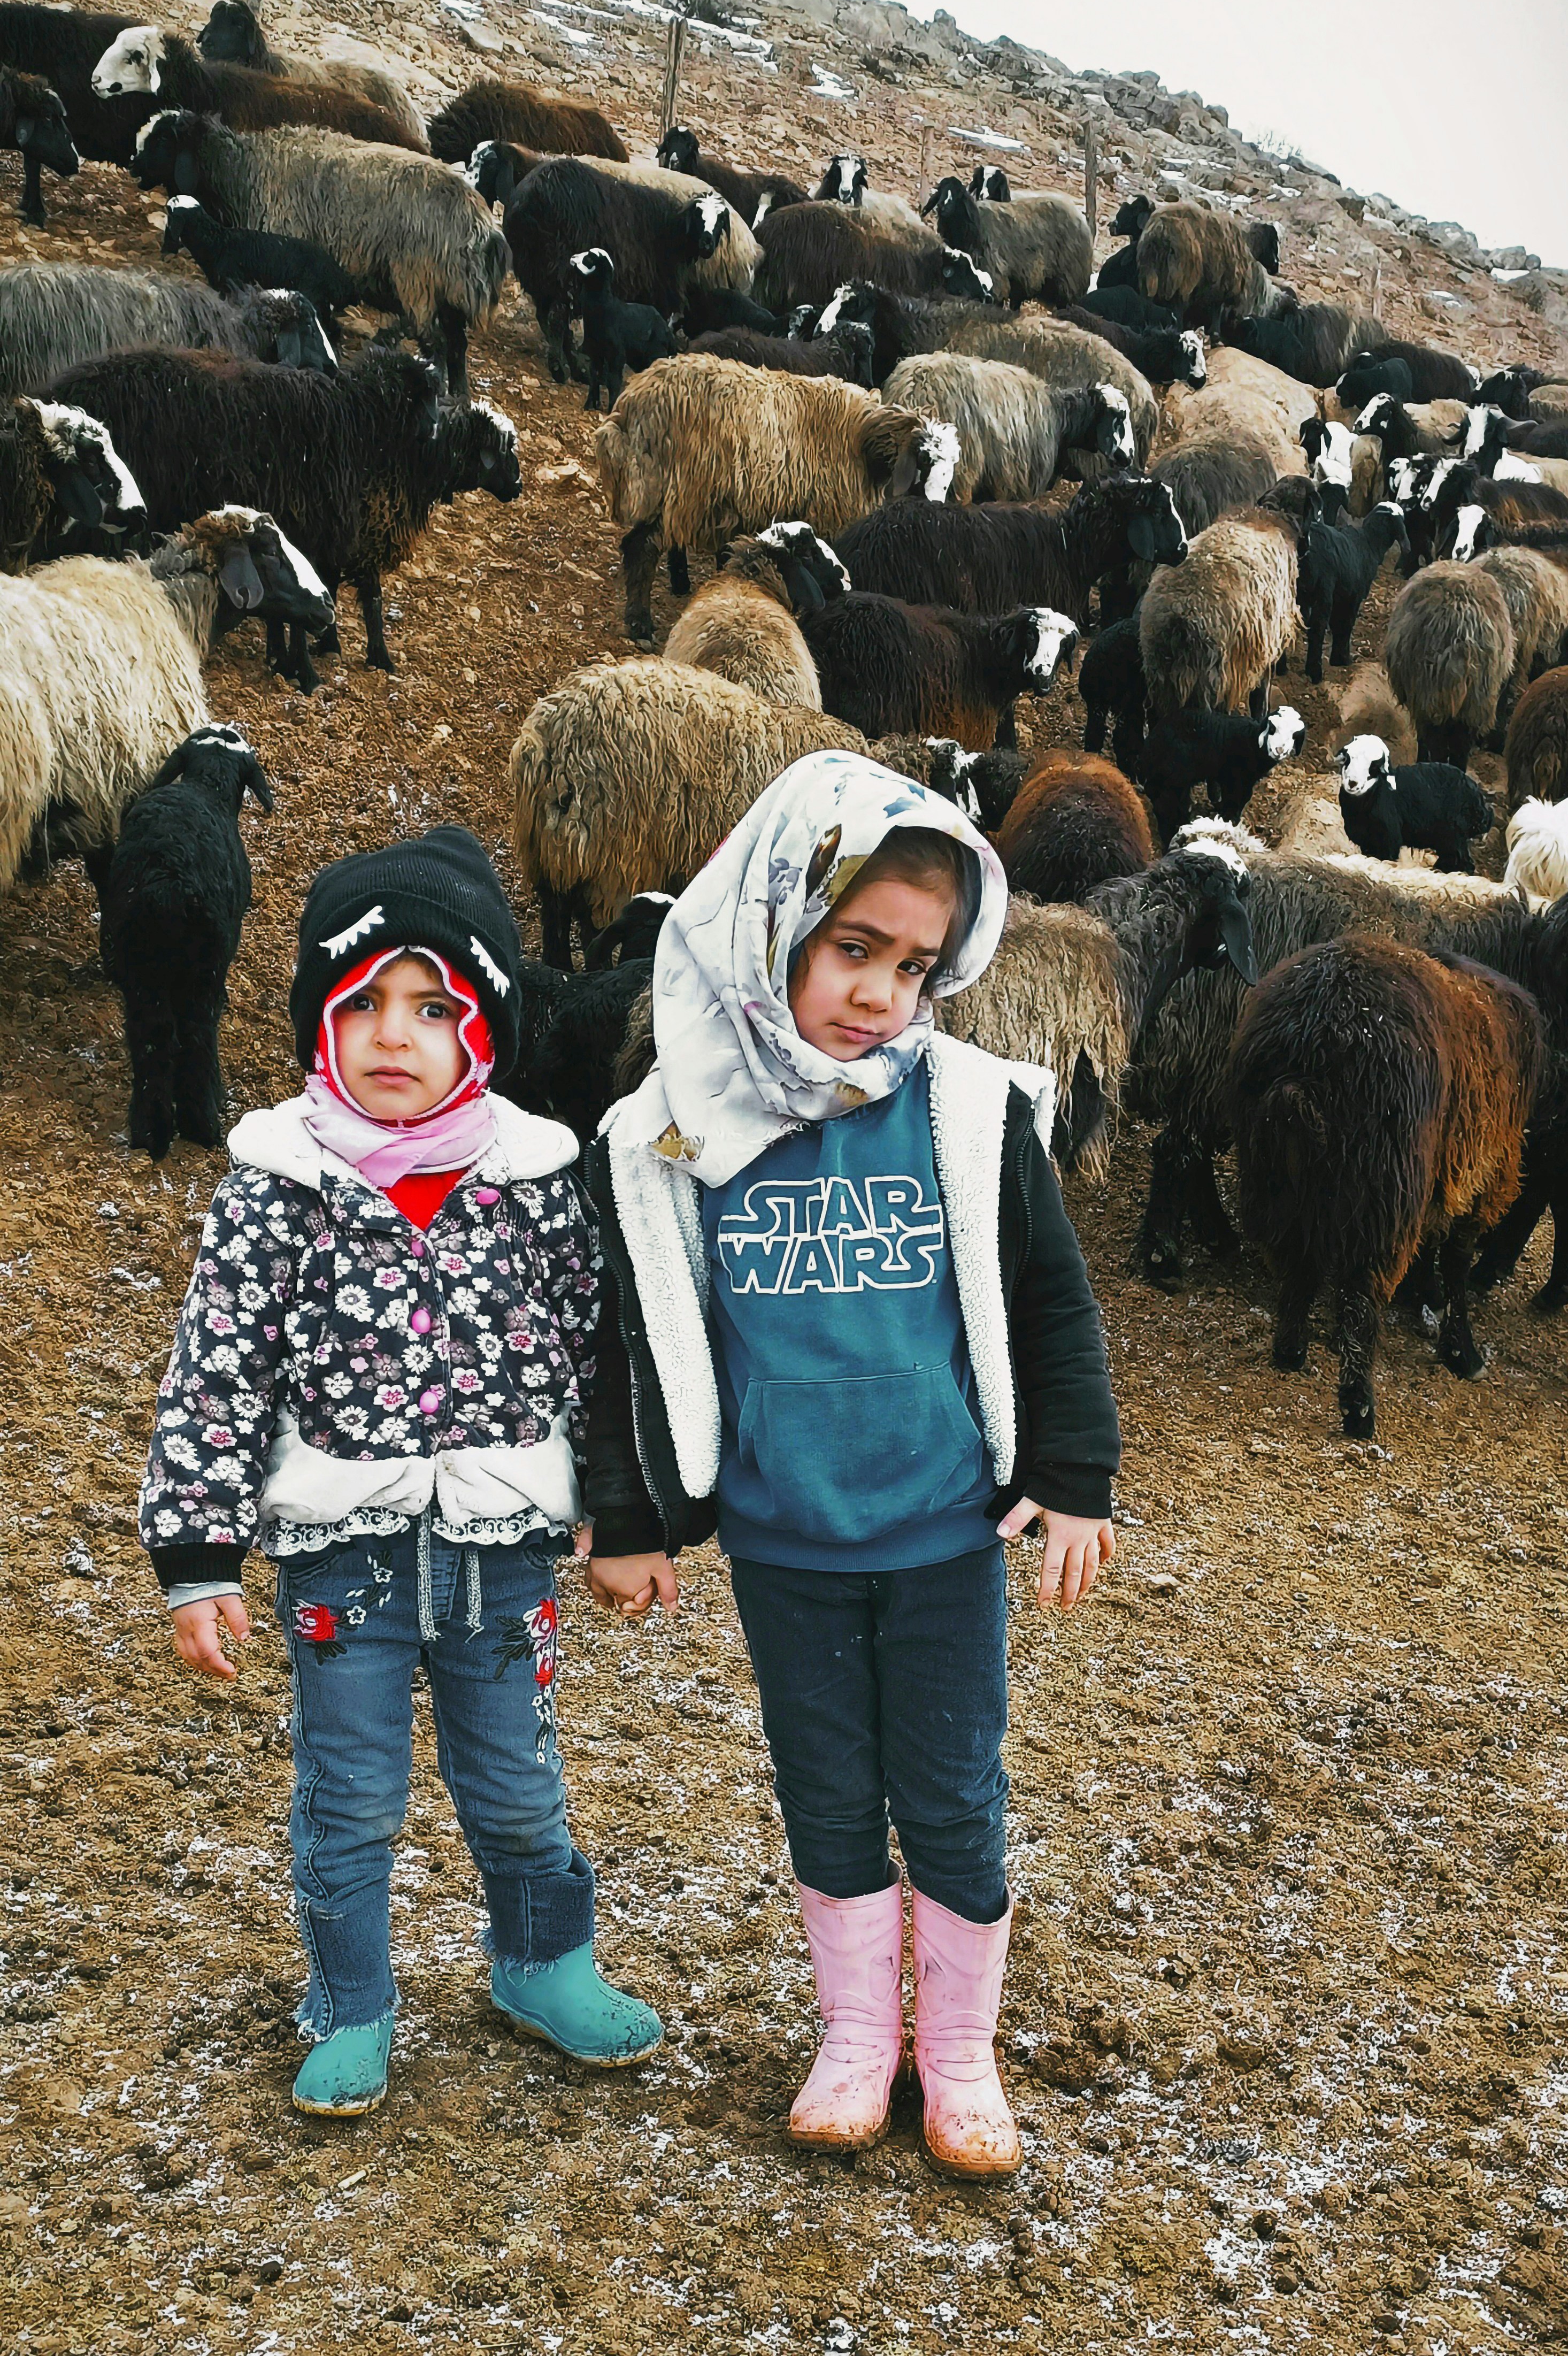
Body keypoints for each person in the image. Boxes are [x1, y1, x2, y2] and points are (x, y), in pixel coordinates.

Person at [582, 752, 1120, 2178]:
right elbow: (632, 1329)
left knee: (949, 1789)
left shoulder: (966, 1110)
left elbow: (1052, 1300)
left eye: (915, 963)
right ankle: (851, 2035)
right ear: (776, 923)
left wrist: (1075, 1476)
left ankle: (954, 2050)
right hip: (786, 1539)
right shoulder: (679, 1130)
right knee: (826, 1788)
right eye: (852, 947)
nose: (881, 990)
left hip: (943, 1532)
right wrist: (628, 1512)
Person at [137, 826, 661, 2116]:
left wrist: (622, 1510)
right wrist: (197, 1552)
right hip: (343, 1557)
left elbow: (600, 1348)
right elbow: (219, 1365)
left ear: (482, 1025)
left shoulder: (537, 1177)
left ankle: (543, 1959)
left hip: (502, 1550)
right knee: (351, 1794)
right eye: (361, 1003)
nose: (394, 1033)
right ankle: (350, 2002)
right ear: (319, 1019)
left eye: (433, 1006)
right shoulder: (279, 1184)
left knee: (520, 1784)